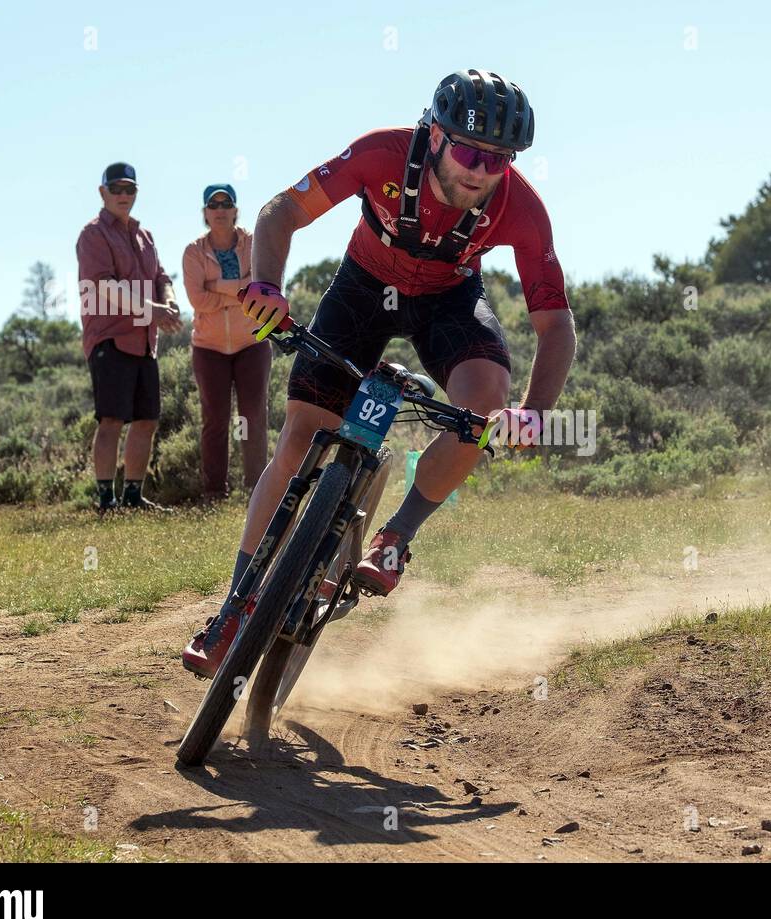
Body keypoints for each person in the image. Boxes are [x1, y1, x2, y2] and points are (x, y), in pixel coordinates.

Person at [183, 69, 575, 677]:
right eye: (469, 150)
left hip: (449, 301)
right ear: (436, 136)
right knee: (299, 439)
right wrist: (265, 286)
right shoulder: (380, 153)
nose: (479, 170)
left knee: (484, 407)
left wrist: (534, 413)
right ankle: (237, 605)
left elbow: (556, 326)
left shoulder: (521, 208)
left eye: (498, 160)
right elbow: (280, 212)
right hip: (363, 287)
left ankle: (394, 538)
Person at [77, 162, 182, 513]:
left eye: (130, 189)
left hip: (144, 342)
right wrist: (153, 310)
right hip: (109, 338)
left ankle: (133, 498)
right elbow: (104, 285)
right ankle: (106, 501)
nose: (124, 195)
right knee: (110, 420)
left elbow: (162, 275)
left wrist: (169, 301)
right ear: (102, 192)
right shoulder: (93, 235)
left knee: (147, 420)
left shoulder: (144, 235)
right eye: (117, 189)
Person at [182, 184, 269, 499]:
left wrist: (216, 285)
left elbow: (258, 286)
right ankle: (215, 491)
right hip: (209, 349)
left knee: (252, 416)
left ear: (235, 210)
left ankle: (256, 488)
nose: (220, 210)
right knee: (215, 420)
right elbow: (198, 300)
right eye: (213, 205)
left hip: (252, 344)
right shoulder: (193, 252)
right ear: (205, 213)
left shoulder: (253, 243)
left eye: (226, 203)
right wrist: (239, 292)